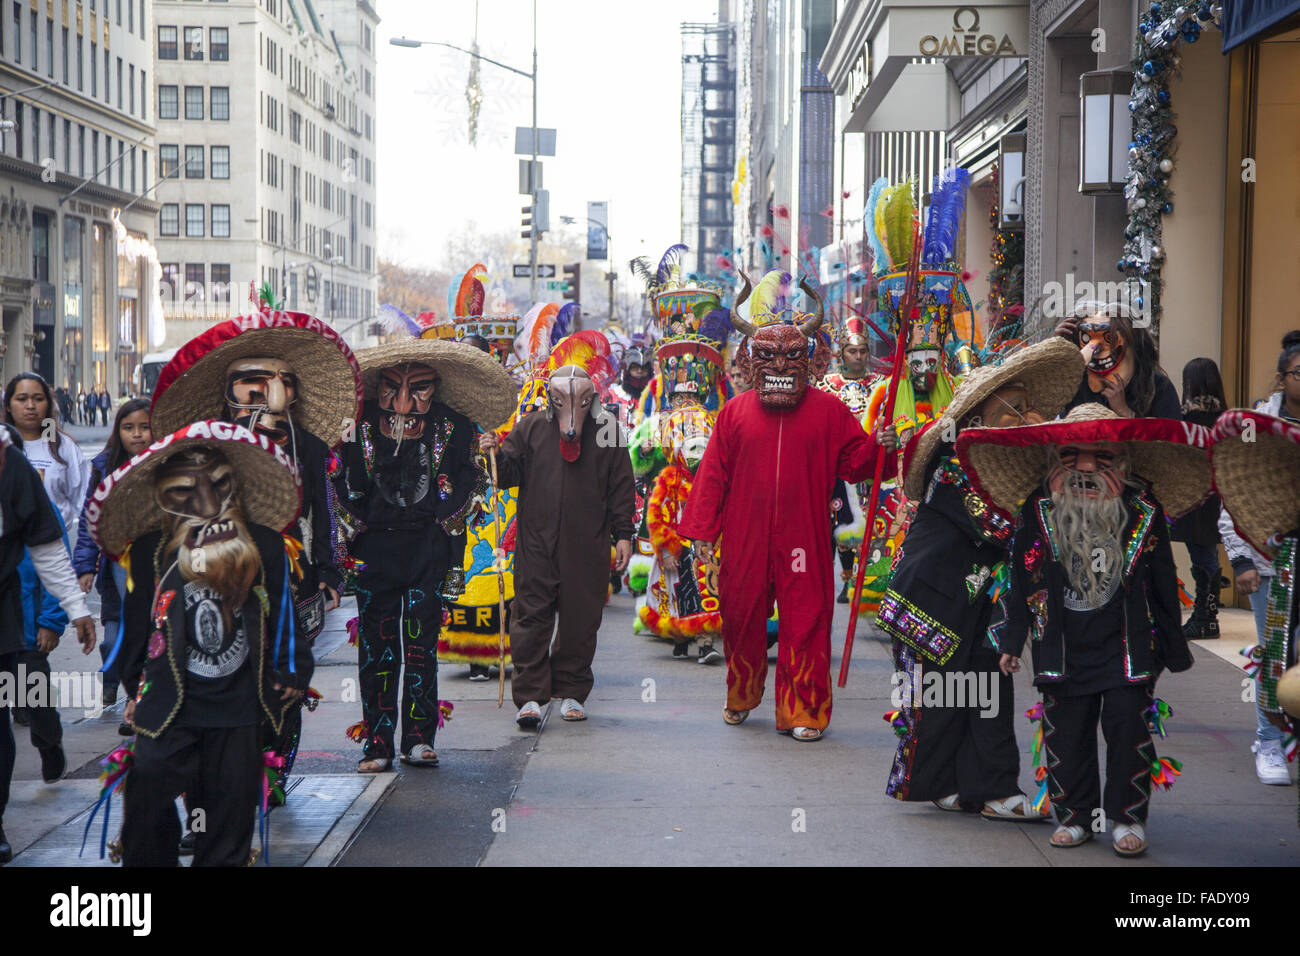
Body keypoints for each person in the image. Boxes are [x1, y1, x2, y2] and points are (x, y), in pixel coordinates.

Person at [958, 404, 1210, 856]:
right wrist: (1012, 640)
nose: (1087, 468)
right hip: (1063, 647)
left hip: (1128, 646)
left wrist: (1172, 648)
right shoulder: (1038, 509)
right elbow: (1021, 577)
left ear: (1124, 462)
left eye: (1102, 457)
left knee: (1127, 730)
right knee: (1066, 733)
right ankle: (1076, 817)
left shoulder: (1143, 509)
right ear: (1054, 461)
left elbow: (1161, 581)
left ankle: (1126, 817)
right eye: (1072, 456)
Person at [149, 307, 361, 795]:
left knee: (284, 681)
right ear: (229, 392)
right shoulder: (211, 446)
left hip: (292, 578)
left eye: (280, 381)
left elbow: (324, 511)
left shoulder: (308, 446)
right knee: (216, 672)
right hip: (220, 576)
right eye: (253, 384)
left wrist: (329, 571)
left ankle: (270, 774)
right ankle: (211, 789)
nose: (268, 393)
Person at [679, 272, 897, 742]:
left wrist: (883, 446)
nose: (780, 362)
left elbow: (859, 463)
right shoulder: (734, 413)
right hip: (745, 533)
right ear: (751, 359)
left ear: (811, 360)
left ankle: (804, 708)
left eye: (792, 355)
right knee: (740, 614)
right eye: (769, 355)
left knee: (808, 619)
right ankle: (741, 693)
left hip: (805, 536)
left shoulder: (829, 411)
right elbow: (713, 475)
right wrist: (702, 533)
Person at [87, 421, 311, 867]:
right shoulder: (152, 551)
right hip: (170, 705)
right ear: (164, 496)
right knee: (148, 790)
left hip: (239, 706)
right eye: (187, 491)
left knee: (226, 814)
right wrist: (135, 689)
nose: (207, 504)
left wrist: (291, 670)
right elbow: (134, 629)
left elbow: (285, 614)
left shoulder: (264, 544)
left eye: (218, 487)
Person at [880, 337, 1083, 818]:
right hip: (930, 603)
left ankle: (993, 788)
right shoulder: (952, 467)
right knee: (939, 699)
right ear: (974, 422)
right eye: (1009, 409)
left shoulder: (1019, 476)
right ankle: (936, 782)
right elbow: (1001, 528)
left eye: (1026, 407)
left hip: (983, 606)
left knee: (990, 687)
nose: (1021, 415)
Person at [332, 332, 515, 770]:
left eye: (419, 389)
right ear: (378, 386)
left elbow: (471, 477)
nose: (403, 401)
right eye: (393, 388)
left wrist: (449, 516)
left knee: (420, 646)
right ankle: (376, 741)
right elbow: (337, 480)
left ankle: (418, 737)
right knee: (377, 648)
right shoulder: (355, 425)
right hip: (375, 549)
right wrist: (351, 525)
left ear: (435, 388)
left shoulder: (451, 425)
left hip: (428, 550)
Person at [480, 345, 637, 727]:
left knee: (580, 621)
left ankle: (571, 690)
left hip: (588, 543)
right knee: (530, 616)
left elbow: (622, 488)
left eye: (582, 402)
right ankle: (531, 696)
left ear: (593, 401)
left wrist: (623, 535)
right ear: (550, 401)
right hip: (536, 540)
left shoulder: (609, 433)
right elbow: (509, 474)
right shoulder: (532, 427)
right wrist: (492, 455)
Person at [0, 424, 96, 865]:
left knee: (25, 694)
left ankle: (48, 739)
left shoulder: (9, 463)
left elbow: (47, 545)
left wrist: (73, 608)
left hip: (10, 621)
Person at [1211, 407, 1300, 803]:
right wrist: (1242, 559)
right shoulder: (1257, 425)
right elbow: (1234, 492)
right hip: (1273, 567)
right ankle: (1269, 741)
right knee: (1274, 655)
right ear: (1284, 376)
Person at [73, 398, 152, 713]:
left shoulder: (165, 463)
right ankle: (112, 677)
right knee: (114, 639)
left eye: (144, 427)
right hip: (116, 562)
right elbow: (89, 520)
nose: (136, 435)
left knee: (147, 633)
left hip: (152, 562)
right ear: (117, 431)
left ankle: (137, 700)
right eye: (128, 427)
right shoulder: (104, 466)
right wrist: (85, 566)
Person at [1171, 358, 1227, 639]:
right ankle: (1208, 615)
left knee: (1201, 554)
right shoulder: (1228, 419)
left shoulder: (1185, 419)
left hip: (1192, 495)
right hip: (1217, 495)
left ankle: (1205, 618)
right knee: (1208, 554)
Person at [1053, 301, 1181, 419]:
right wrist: (1053, 352)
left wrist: (1125, 412)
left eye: (1109, 339)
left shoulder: (1157, 387)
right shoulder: (1078, 385)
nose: (1097, 350)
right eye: (1087, 339)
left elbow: (1172, 438)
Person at [3, 373, 91, 532]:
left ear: (48, 404)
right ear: (8, 405)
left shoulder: (64, 446)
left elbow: (85, 503)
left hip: (56, 545)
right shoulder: (2, 445)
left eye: (38, 399)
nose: (30, 405)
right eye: (22, 399)